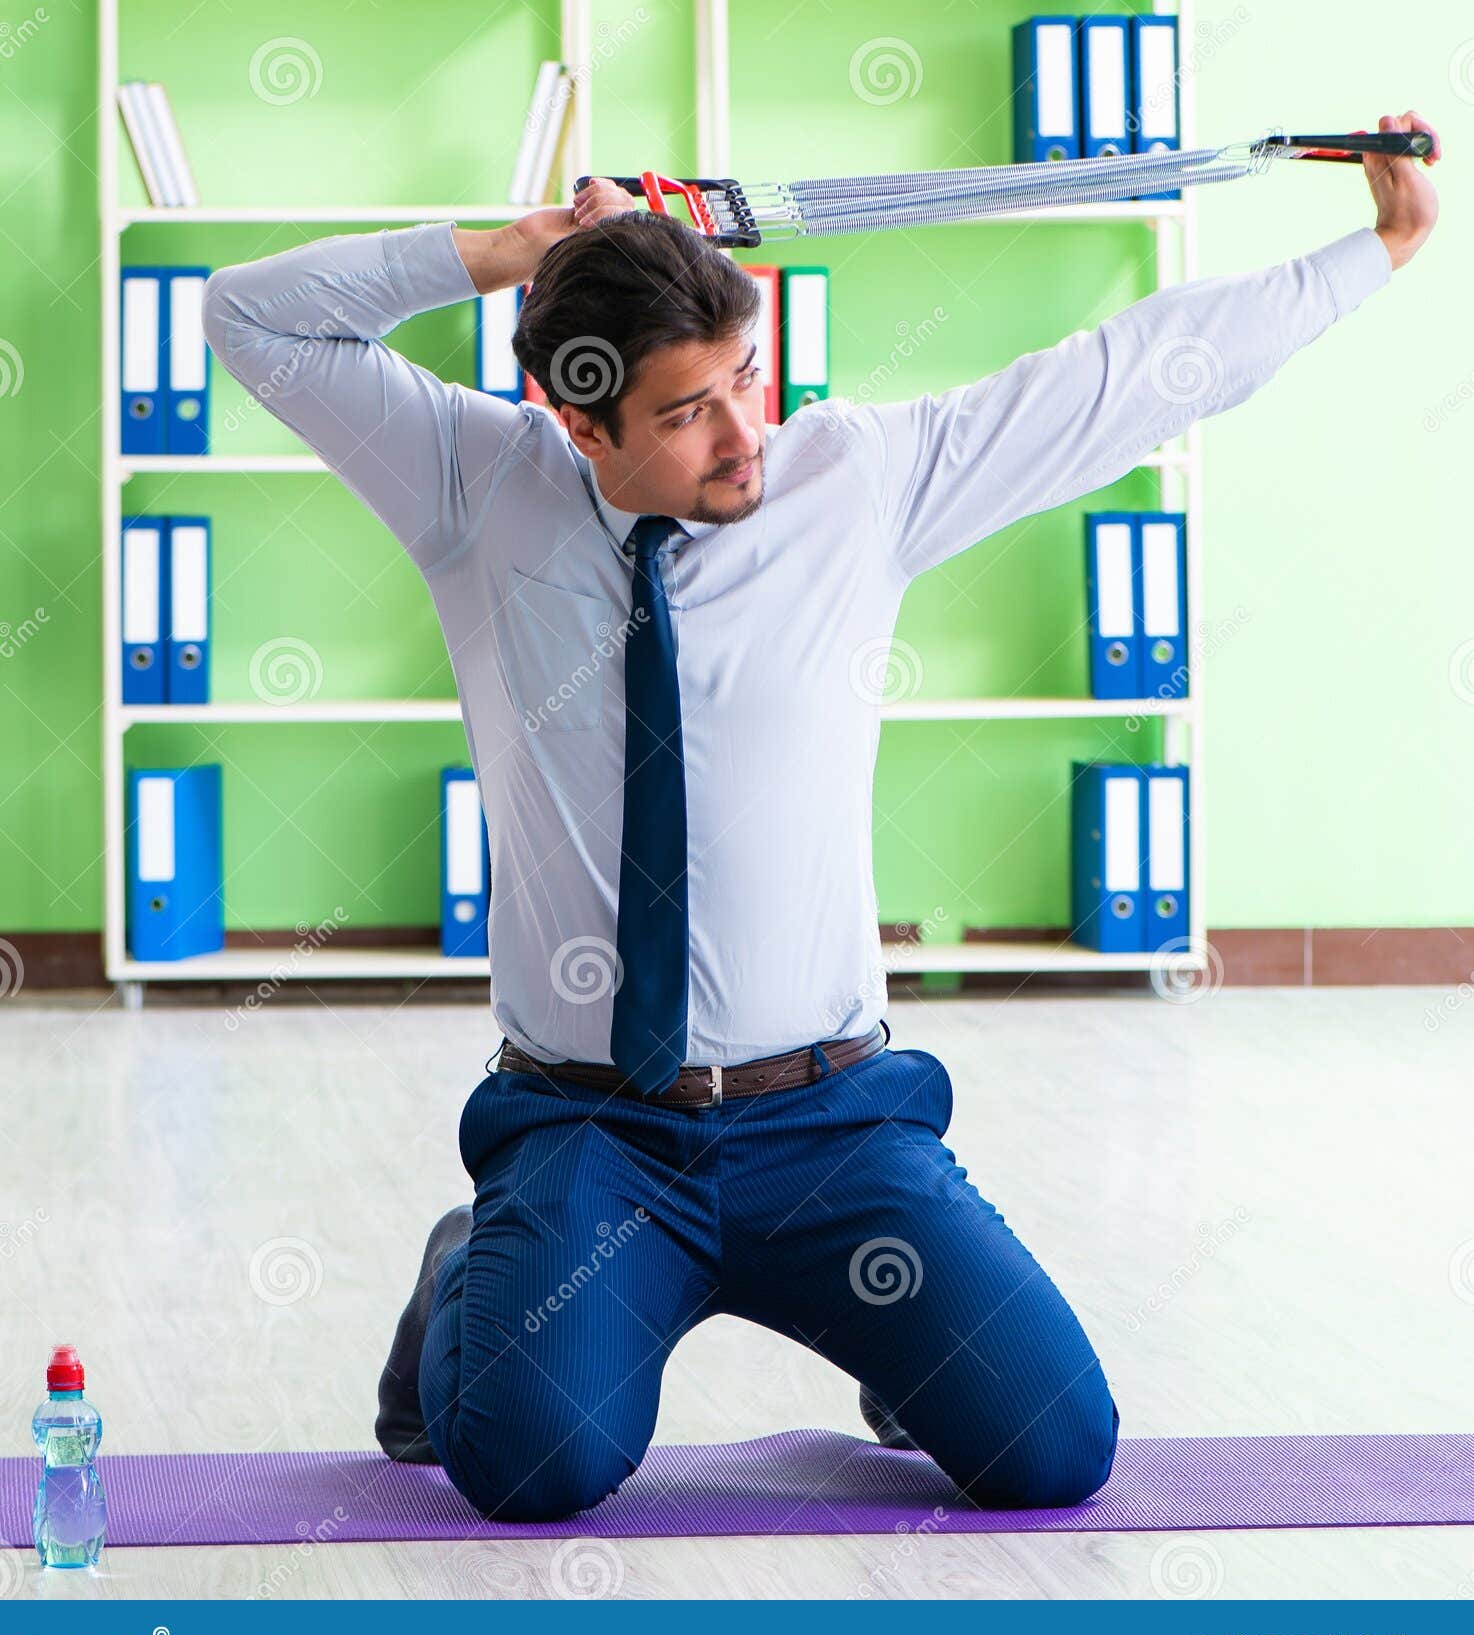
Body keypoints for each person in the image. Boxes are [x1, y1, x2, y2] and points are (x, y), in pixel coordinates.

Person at [201, 112, 1439, 1522]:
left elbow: (1125, 379)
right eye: (687, 411)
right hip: (595, 1127)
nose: (745, 434)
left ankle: (896, 1337)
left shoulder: (850, 481)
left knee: (1049, 1451)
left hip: (831, 1122)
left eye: (747, 377)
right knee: (530, 1468)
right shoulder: (475, 489)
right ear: (576, 414)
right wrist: (514, 248)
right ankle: (472, 1263)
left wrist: (1377, 250)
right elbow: (251, 318)